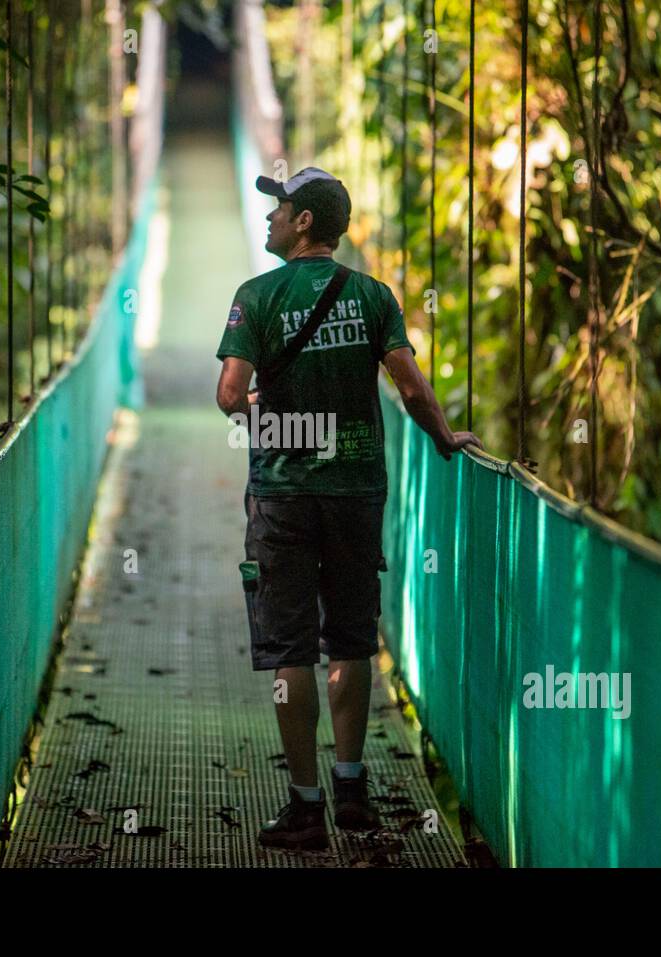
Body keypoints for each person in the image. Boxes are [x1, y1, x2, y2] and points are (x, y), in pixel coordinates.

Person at [215, 166, 482, 851]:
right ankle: (352, 789)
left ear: (304, 221)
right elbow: (411, 387)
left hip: (282, 497)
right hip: (356, 492)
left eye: (279, 209)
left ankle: (306, 810)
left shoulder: (256, 296)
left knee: (291, 649)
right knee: (353, 639)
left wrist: (270, 419)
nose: (270, 218)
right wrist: (444, 438)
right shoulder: (372, 295)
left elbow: (230, 395)